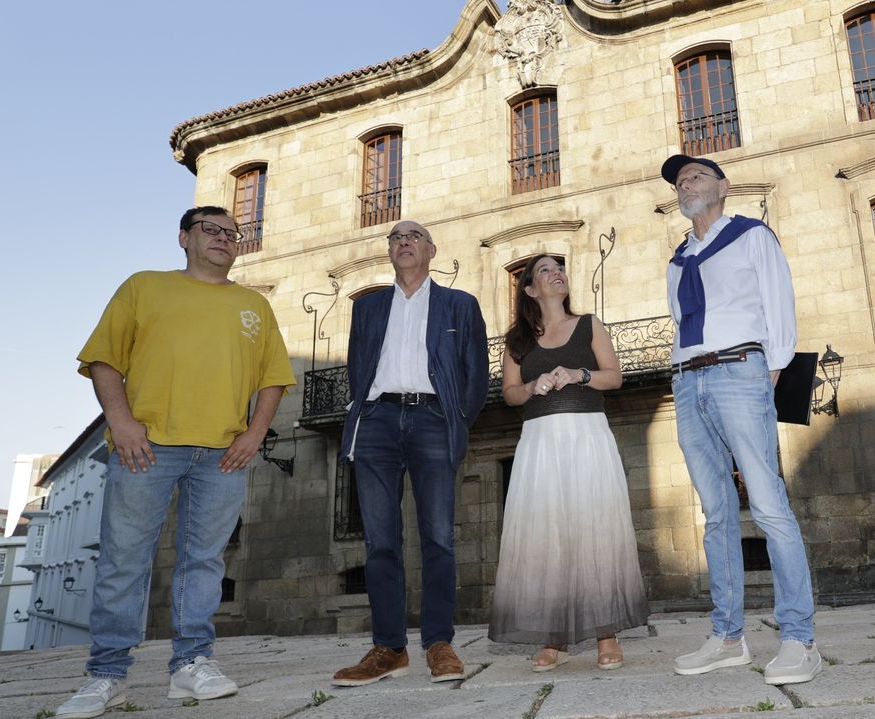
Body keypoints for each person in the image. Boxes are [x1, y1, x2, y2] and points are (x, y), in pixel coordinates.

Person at [56, 207, 296, 719]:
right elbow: (104, 358)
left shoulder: (254, 304)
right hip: (147, 447)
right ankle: (107, 676)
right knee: (124, 560)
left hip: (223, 455)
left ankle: (191, 665)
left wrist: (255, 434)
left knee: (204, 562)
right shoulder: (144, 287)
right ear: (184, 238)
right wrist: (120, 422)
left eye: (233, 234)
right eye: (212, 230)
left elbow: (273, 376)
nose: (225, 240)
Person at [661, 155, 822, 685]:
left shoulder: (753, 236)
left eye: (697, 176)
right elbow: (679, 322)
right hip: (688, 381)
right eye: (681, 180)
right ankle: (728, 637)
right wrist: (681, 377)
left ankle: (799, 638)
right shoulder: (677, 258)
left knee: (770, 504)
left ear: (724, 187)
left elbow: (780, 304)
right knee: (717, 512)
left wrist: (770, 370)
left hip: (740, 370)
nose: (686, 183)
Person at [333, 220, 489, 686]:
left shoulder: (459, 305)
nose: (403, 241)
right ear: (389, 252)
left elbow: (475, 373)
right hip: (378, 421)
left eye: (413, 236)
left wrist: (454, 418)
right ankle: (388, 648)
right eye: (396, 237)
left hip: (432, 420)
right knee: (380, 540)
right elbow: (359, 366)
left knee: (438, 536)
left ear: (432, 250)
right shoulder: (368, 308)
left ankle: (439, 643)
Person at [488, 255, 649, 672]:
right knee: (548, 534)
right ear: (528, 290)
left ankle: (606, 633)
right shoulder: (516, 342)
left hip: (587, 435)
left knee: (594, 527)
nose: (556, 272)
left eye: (559, 268)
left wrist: (579, 374)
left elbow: (614, 377)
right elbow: (509, 394)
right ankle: (552, 637)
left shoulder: (589, 325)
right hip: (540, 442)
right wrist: (531, 385)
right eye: (544, 270)